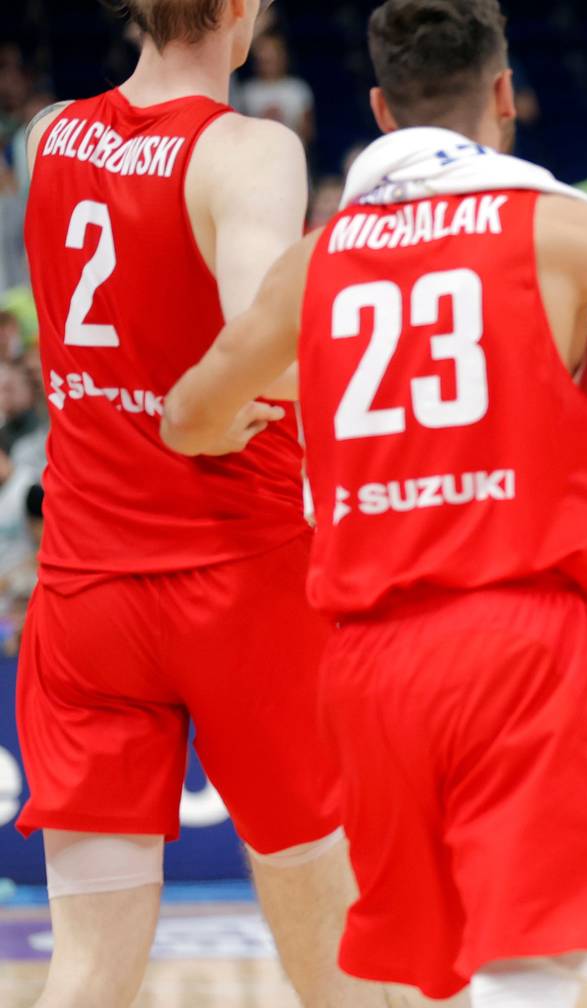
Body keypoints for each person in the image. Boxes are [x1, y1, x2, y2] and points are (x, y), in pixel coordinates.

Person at [157, 0, 587, 1002]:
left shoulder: (315, 260)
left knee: (427, 982)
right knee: (531, 974)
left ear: (379, 109)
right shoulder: (556, 227)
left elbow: (186, 417)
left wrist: (249, 415)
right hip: (513, 643)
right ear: (502, 94)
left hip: (365, 660)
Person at [15, 0, 370, 1002]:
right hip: (239, 581)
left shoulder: (45, 134)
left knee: (86, 967)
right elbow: (259, 344)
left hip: (87, 587)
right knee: (331, 955)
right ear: (241, 10)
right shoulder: (247, 150)